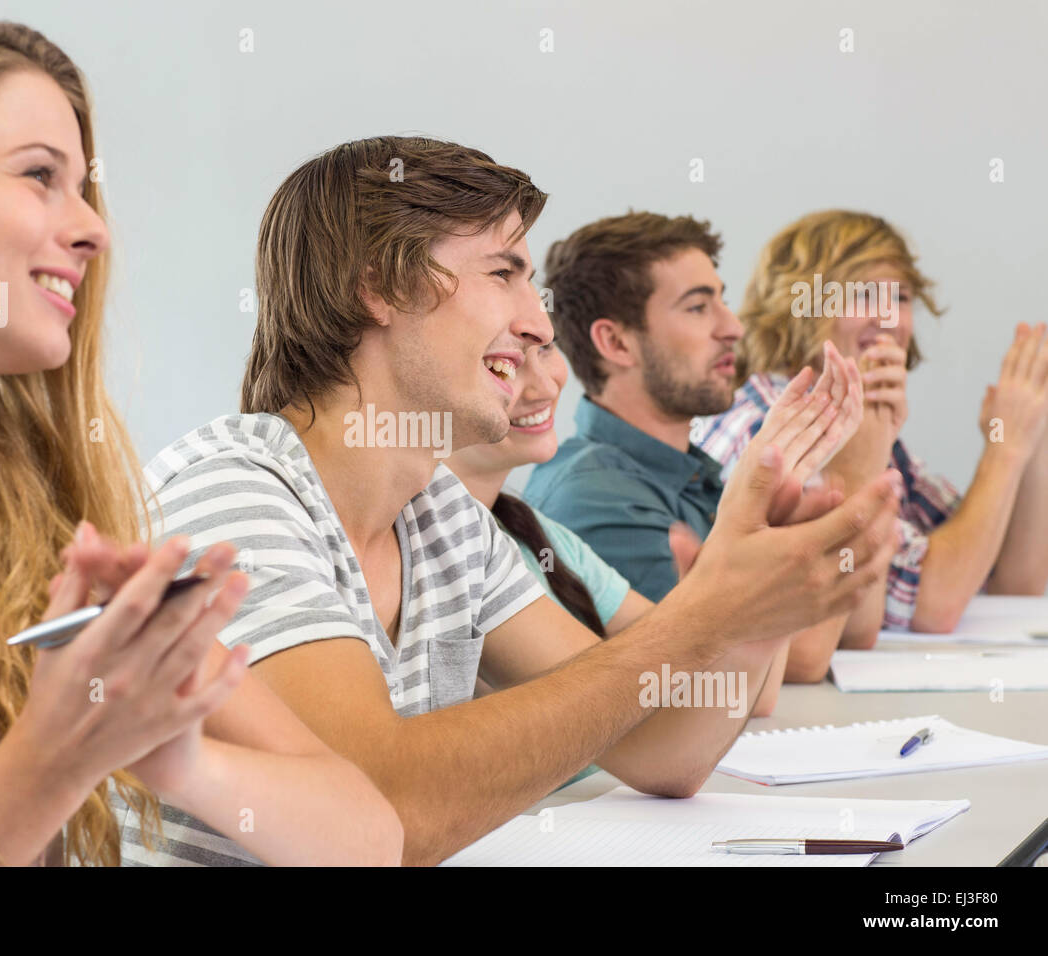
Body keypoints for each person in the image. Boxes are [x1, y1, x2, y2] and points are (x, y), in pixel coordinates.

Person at [127, 136, 901, 866]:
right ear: (378, 288)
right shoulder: (231, 488)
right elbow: (387, 808)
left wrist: (749, 607)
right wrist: (704, 614)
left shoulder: (438, 513)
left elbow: (666, 752)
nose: (536, 324)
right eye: (503, 274)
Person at [0, 17, 402, 867]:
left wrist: (178, 756)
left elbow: (368, 838)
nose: (94, 228)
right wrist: (51, 762)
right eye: (39, 177)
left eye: (84, 188)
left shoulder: (37, 532)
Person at [525, 211, 864, 682]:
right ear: (616, 342)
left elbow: (844, 632)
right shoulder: (597, 497)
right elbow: (737, 682)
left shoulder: (690, 474)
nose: (733, 328)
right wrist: (824, 483)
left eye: (721, 301)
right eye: (698, 307)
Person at [699, 209, 1048, 636]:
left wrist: (1033, 432)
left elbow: (1009, 581)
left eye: (899, 298)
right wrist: (1005, 450)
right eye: (862, 295)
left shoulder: (869, 426)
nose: (887, 319)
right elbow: (935, 603)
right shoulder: (768, 425)